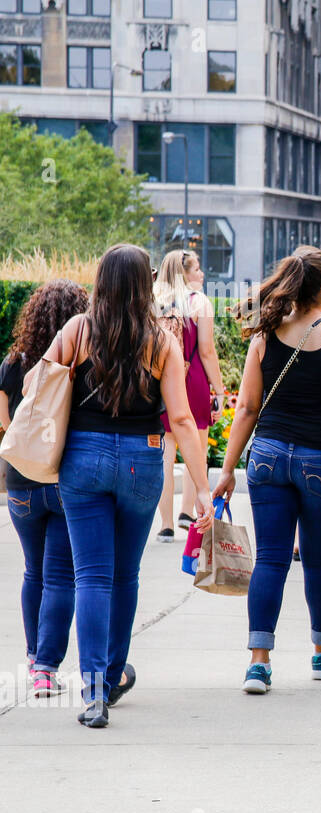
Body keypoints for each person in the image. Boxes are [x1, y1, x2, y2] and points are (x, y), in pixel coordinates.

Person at [41, 244, 213, 727]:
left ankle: (93, 690)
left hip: (83, 460)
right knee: (125, 576)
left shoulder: (78, 329)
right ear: (146, 283)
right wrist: (201, 487)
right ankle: (113, 674)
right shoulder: (162, 341)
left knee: (90, 576)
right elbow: (180, 417)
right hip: (142, 460)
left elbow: (42, 385)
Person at [214, 247, 321, 693]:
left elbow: (246, 408)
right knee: (320, 559)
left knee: (271, 558)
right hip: (320, 460)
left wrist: (227, 470)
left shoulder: (264, 336)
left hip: (265, 456)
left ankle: (258, 664)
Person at [0, 280, 87, 697]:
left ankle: (35, 659)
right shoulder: (82, 359)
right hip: (64, 478)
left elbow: (6, 423)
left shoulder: (14, 363)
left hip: (20, 480)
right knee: (60, 577)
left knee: (33, 570)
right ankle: (45, 672)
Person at [153, 249, 223, 543]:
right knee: (197, 447)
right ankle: (187, 512)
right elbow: (206, 352)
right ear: (186, 274)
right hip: (191, 380)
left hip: (162, 381)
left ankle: (166, 525)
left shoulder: (154, 304)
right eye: (197, 270)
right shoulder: (200, 303)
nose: (202, 275)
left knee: (165, 455)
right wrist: (219, 390)